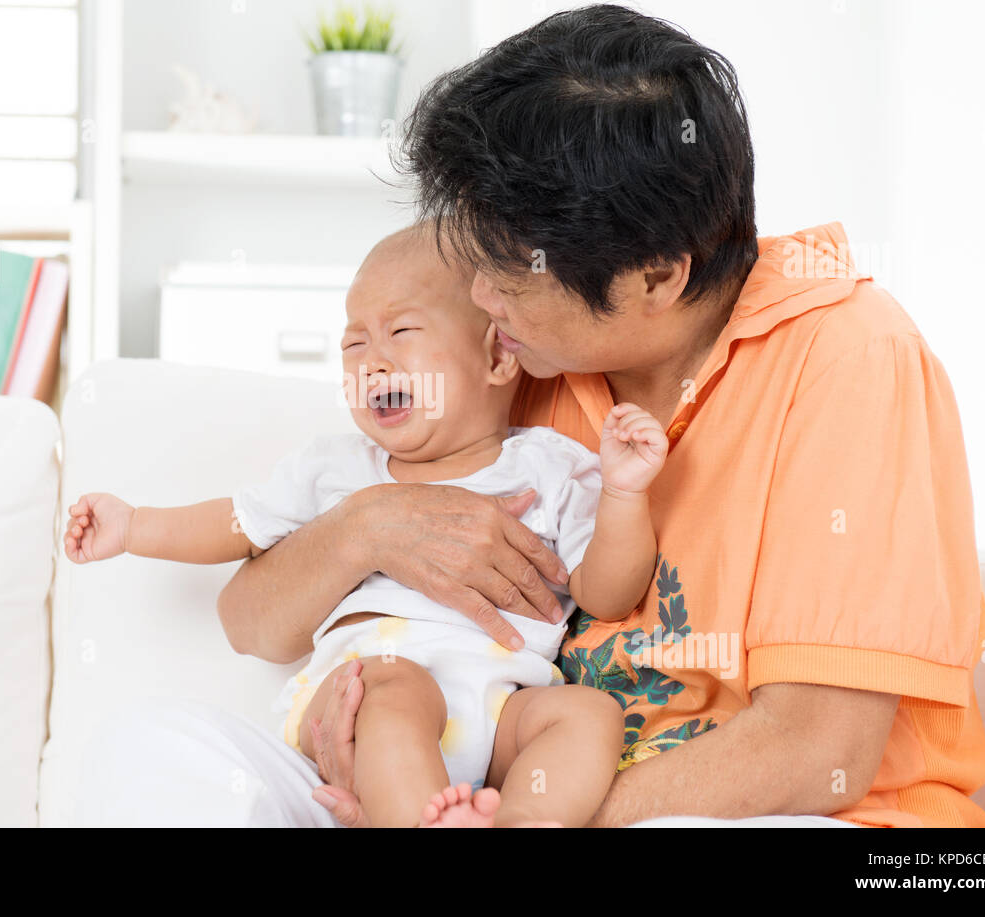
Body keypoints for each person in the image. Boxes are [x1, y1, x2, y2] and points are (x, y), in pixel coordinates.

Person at [80, 4, 985, 828]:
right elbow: (254, 619)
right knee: (159, 756)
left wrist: (538, 818)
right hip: (461, 787)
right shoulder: (517, 362)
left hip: (747, 813)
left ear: (657, 274)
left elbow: (817, 753)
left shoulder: (849, 358)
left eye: (511, 271)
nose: (479, 297)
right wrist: (367, 535)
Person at [65, 224, 677, 827]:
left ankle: (519, 821)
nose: (371, 360)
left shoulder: (550, 466)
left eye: (400, 331)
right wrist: (135, 526)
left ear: (495, 354)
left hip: (497, 714)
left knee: (588, 714)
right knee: (397, 688)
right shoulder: (335, 468)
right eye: (353, 344)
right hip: (365, 695)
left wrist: (624, 494)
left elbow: (608, 592)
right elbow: (237, 523)